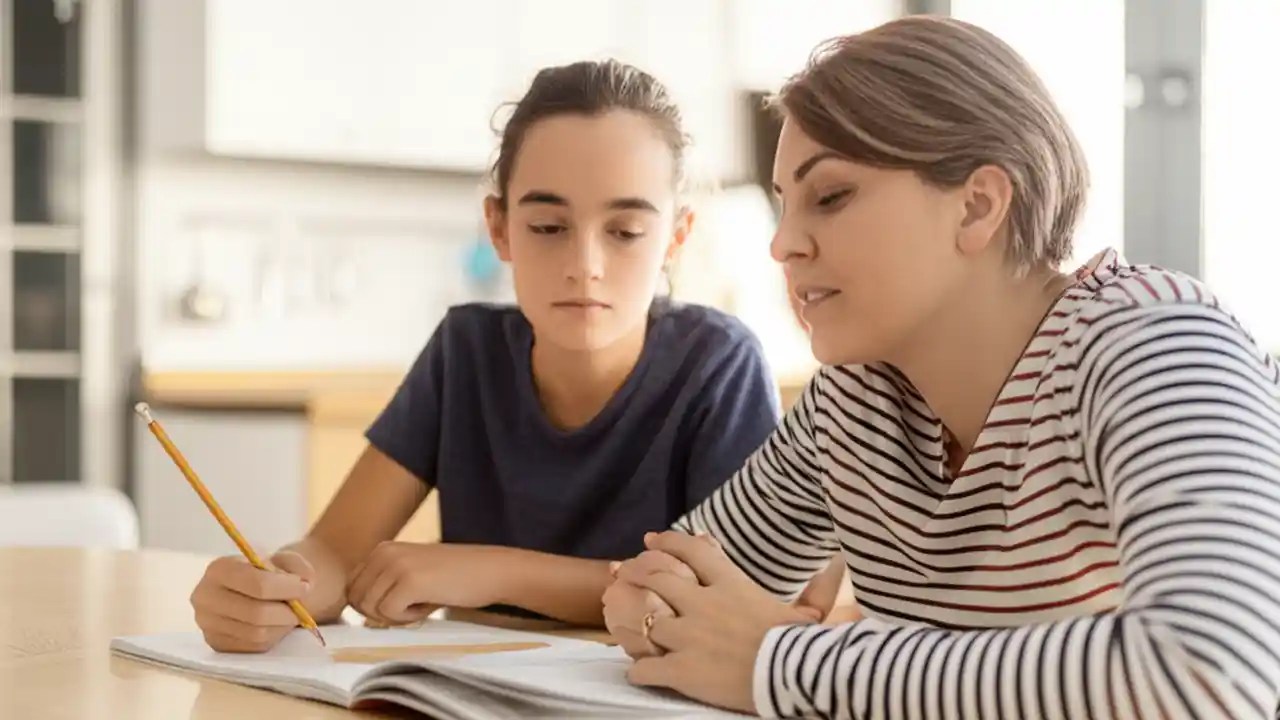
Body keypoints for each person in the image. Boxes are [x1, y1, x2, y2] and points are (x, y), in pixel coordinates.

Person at [603, 15, 1280, 719]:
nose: (781, 245)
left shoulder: (1155, 343)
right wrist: (664, 612)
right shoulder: (855, 400)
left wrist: (785, 663)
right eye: (784, 205)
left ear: (977, 205)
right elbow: (659, 584)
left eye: (830, 196)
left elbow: (1215, 670)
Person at [187, 59, 787, 653]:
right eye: (549, 227)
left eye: (625, 231)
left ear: (675, 237)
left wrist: (486, 571)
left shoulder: (719, 366)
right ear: (499, 228)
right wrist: (270, 590)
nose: (586, 264)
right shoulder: (465, 351)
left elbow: (718, 591)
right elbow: (336, 552)